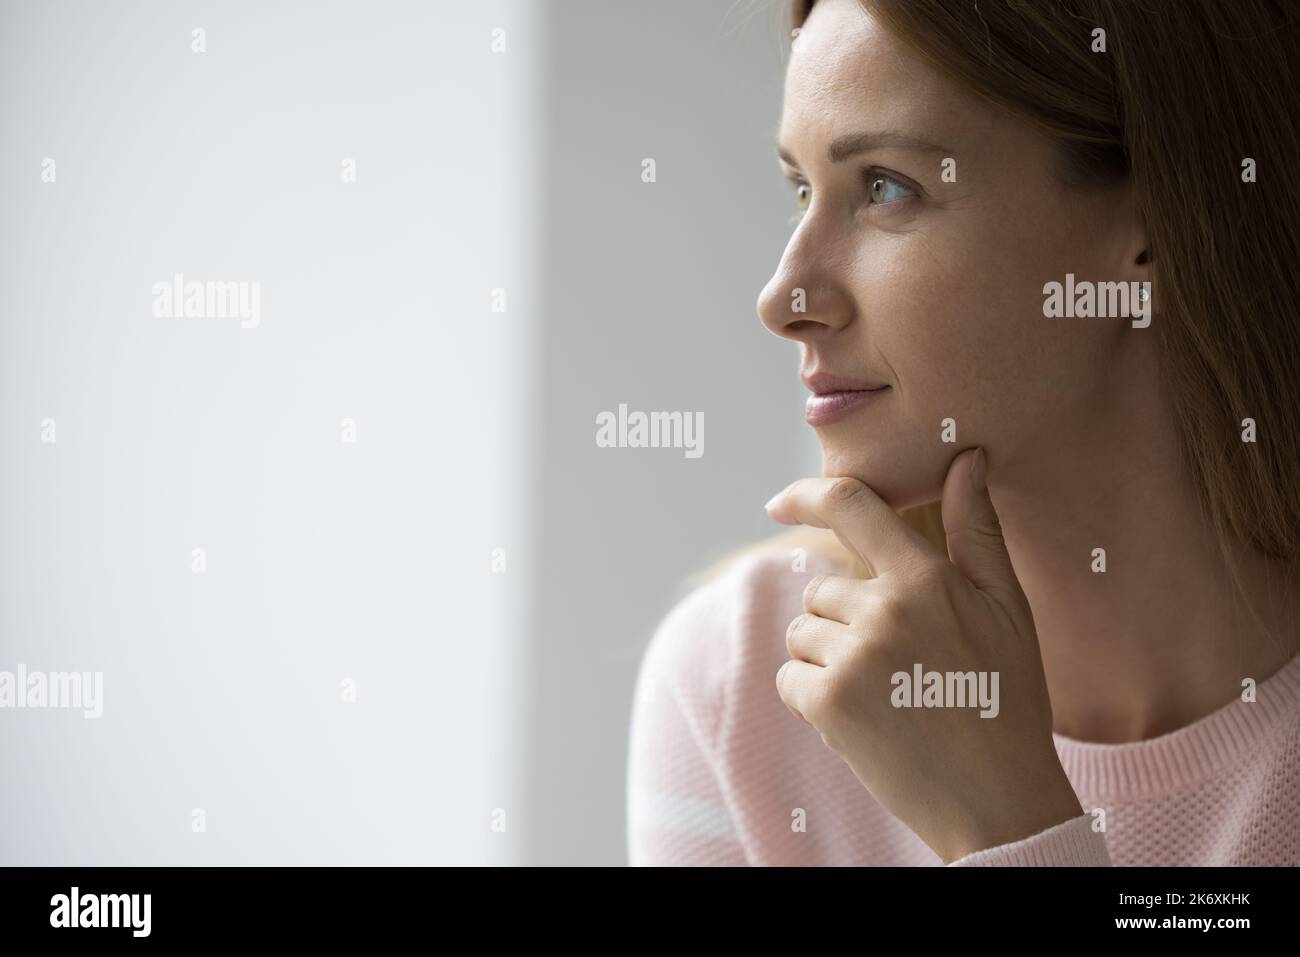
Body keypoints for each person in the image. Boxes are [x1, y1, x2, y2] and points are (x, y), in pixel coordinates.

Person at [627, 0, 1300, 866]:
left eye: (885, 187)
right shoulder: (745, 685)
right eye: (801, 189)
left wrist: (1010, 830)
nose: (783, 297)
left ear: (1151, 227)